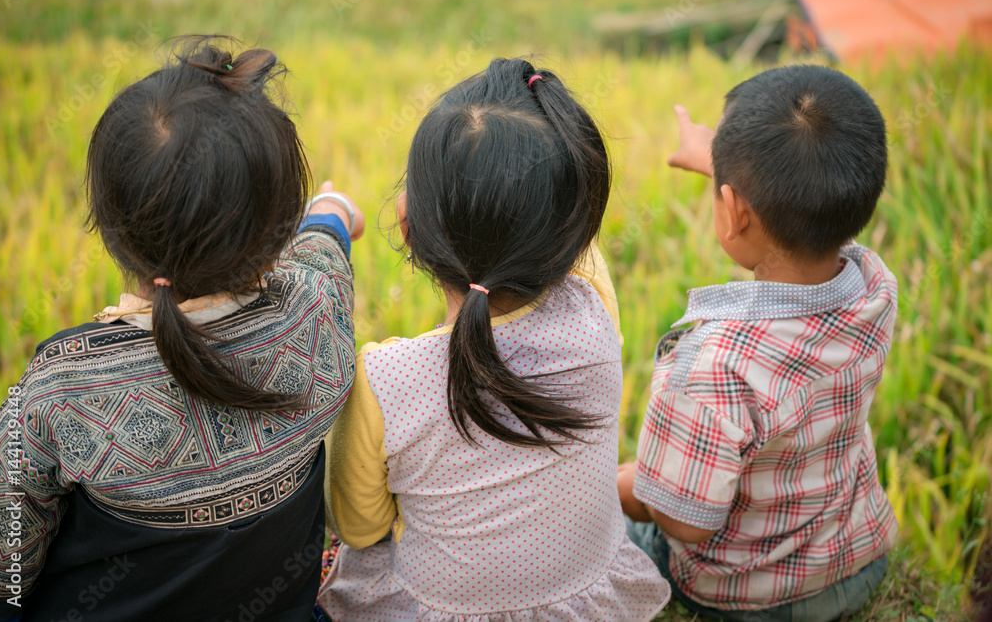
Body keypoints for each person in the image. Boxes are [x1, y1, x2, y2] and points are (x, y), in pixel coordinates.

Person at [0, 37, 364, 621]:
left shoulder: (60, 386)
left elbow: (3, 563)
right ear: (274, 234)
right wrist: (333, 211)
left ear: (111, 229)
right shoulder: (317, 313)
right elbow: (324, 244)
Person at [318, 58, 670, 621]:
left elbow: (361, 526)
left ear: (407, 226)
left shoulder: (383, 381)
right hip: (586, 603)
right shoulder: (593, 305)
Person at [618, 65, 897, 622]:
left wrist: (625, 483)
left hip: (753, 599)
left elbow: (684, 519)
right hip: (861, 560)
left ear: (735, 210)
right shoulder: (873, 284)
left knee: (613, 523)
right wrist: (722, 173)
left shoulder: (712, 362)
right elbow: (807, 207)